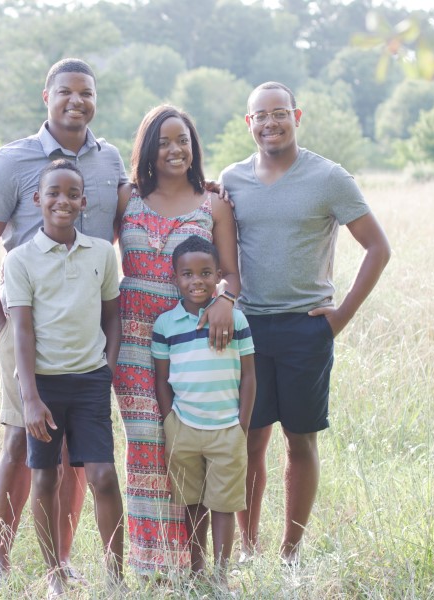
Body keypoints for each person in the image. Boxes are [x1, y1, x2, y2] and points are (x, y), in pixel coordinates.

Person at [0, 58, 130, 596]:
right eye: (65, 92)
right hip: (27, 326)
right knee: (20, 443)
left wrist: (205, 188)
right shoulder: (13, 162)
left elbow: (137, 210)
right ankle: (2, 564)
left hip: (85, 334)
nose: (76, 101)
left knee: (76, 457)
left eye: (86, 92)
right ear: (46, 96)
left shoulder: (108, 160)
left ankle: (61, 558)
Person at [220, 82, 391, 565]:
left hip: (305, 330)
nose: (270, 123)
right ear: (247, 122)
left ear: (297, 116)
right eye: (261, 115)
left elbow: (378, 247)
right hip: (247, 329)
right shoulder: (231, 180)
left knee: (300, 441)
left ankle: (290, 554)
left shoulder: (329, 177)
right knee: (249, 440)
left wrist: (340, 317)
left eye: (280, 113)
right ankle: (248, 550)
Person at [113, 104, 240, 576]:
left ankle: (194, 565)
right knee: (148, 443)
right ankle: (152, 565)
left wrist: (225, 298)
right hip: (132, 340)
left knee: (189, 444)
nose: (174, 149)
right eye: (164, 141)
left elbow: (231, 274)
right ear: (148, 147)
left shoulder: (214, 203)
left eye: (182, 140)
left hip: (192, 343)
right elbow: (91, 254)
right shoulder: (127, 199)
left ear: (194, 147)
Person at [5, 160, 125, 597]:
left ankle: (116, 579)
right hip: (44, 386)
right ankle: (55, 576)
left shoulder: (101, 253)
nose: (63, 201)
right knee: (45, 479)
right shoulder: (21, 260)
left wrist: (107, 368)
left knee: (104, 477)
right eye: (53, 192)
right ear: (38, 199)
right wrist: (30, 397)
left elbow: (113, 317)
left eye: (72, 194)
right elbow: (22, 329)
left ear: (83, 202)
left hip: (91, 381)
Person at [151, 236, 255, 588]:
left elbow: (250, 374)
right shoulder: (166, 325)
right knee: (192, 504)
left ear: (218, 276)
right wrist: (170, 421)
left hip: (228, 427)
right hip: (184, 428)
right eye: (188, 274)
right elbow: (162, 380)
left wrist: (242, 423)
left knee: (224, 504)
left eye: (206, 273)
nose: (197, 281)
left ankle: (221, 578)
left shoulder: (235, 319)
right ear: (175, 279)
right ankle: (197, 571)